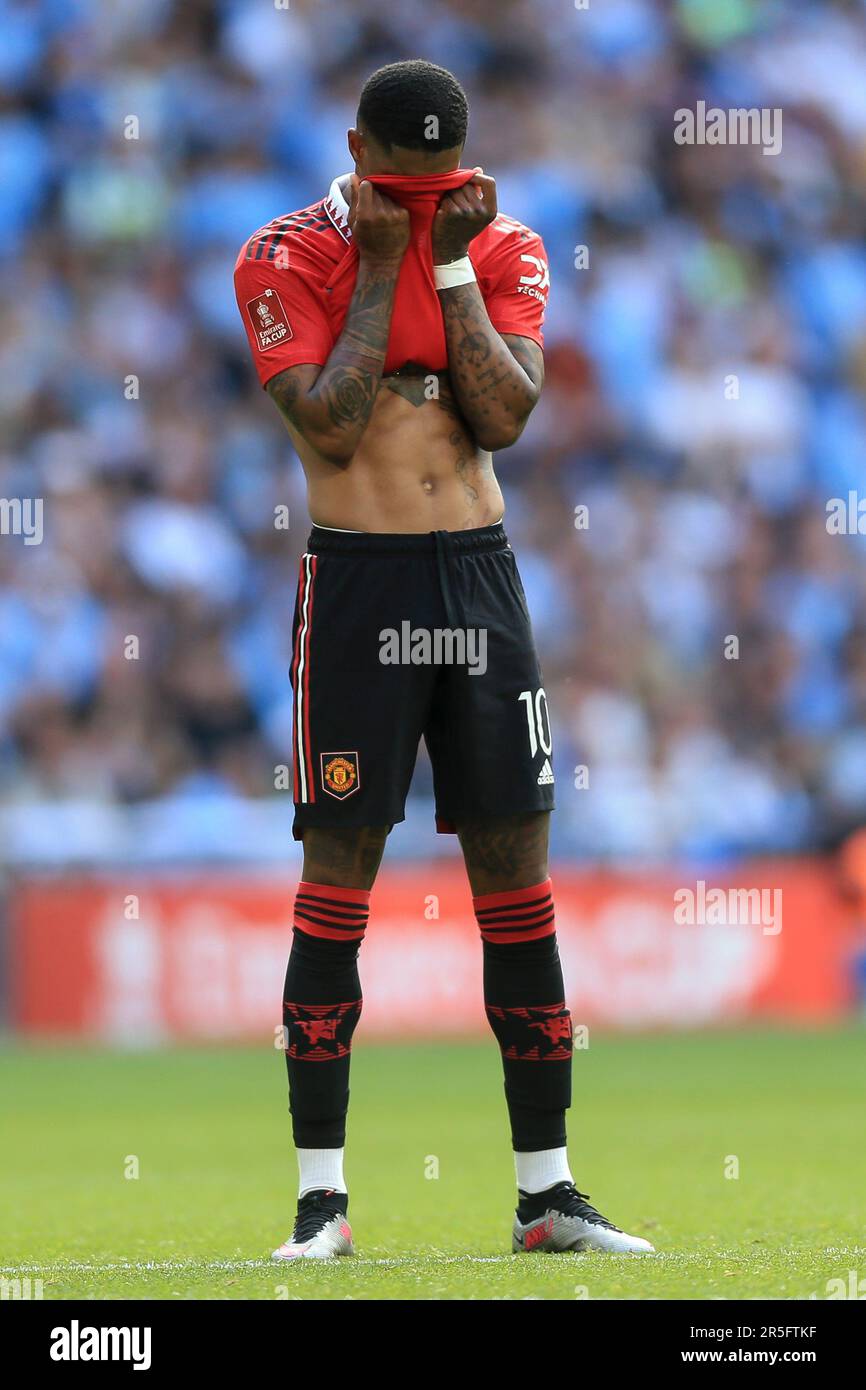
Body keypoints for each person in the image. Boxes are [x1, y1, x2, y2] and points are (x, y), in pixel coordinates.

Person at [235, 59, 653, 1259]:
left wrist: (449, 262)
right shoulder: (284, 253)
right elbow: (328, 419)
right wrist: (381, 263)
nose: (425, 206)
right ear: (357, 154)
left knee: (517, 885)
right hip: (359, 582)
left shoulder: (500, 241)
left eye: (442, 188)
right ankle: (322, 1202)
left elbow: (505, 417)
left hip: (477, 575)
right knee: (336, 888)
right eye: (405, 189)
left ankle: (547, 1194)